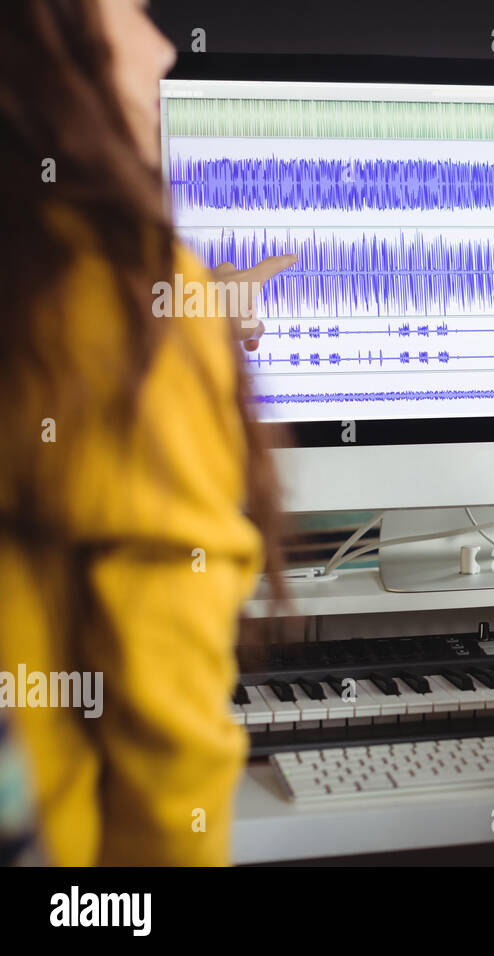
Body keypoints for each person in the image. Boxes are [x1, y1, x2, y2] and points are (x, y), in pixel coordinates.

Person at [0, 0, 293, 865]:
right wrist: (173, 333)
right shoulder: (114, 302)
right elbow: (167, 740)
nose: (164, 49)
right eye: (126, 10)